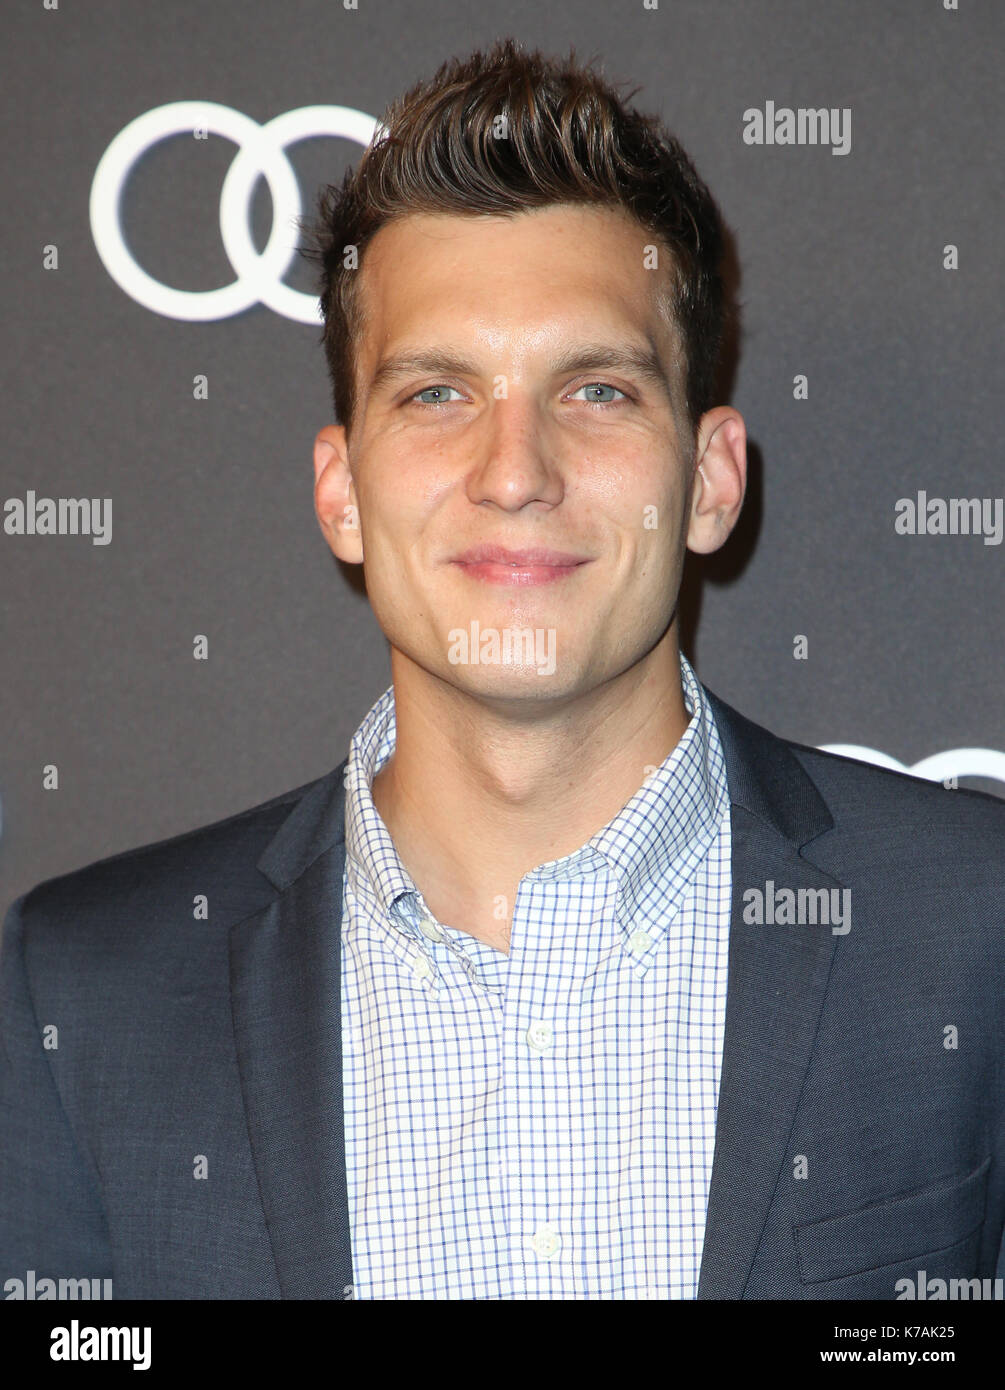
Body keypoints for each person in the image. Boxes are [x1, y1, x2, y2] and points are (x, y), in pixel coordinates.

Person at [2, 37, 1002, 1302]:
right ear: (341, 492)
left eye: (594, 389)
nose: (514, 469)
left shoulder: (976, 933)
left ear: (710, 479)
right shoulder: (85, 994)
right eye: (435, 395)